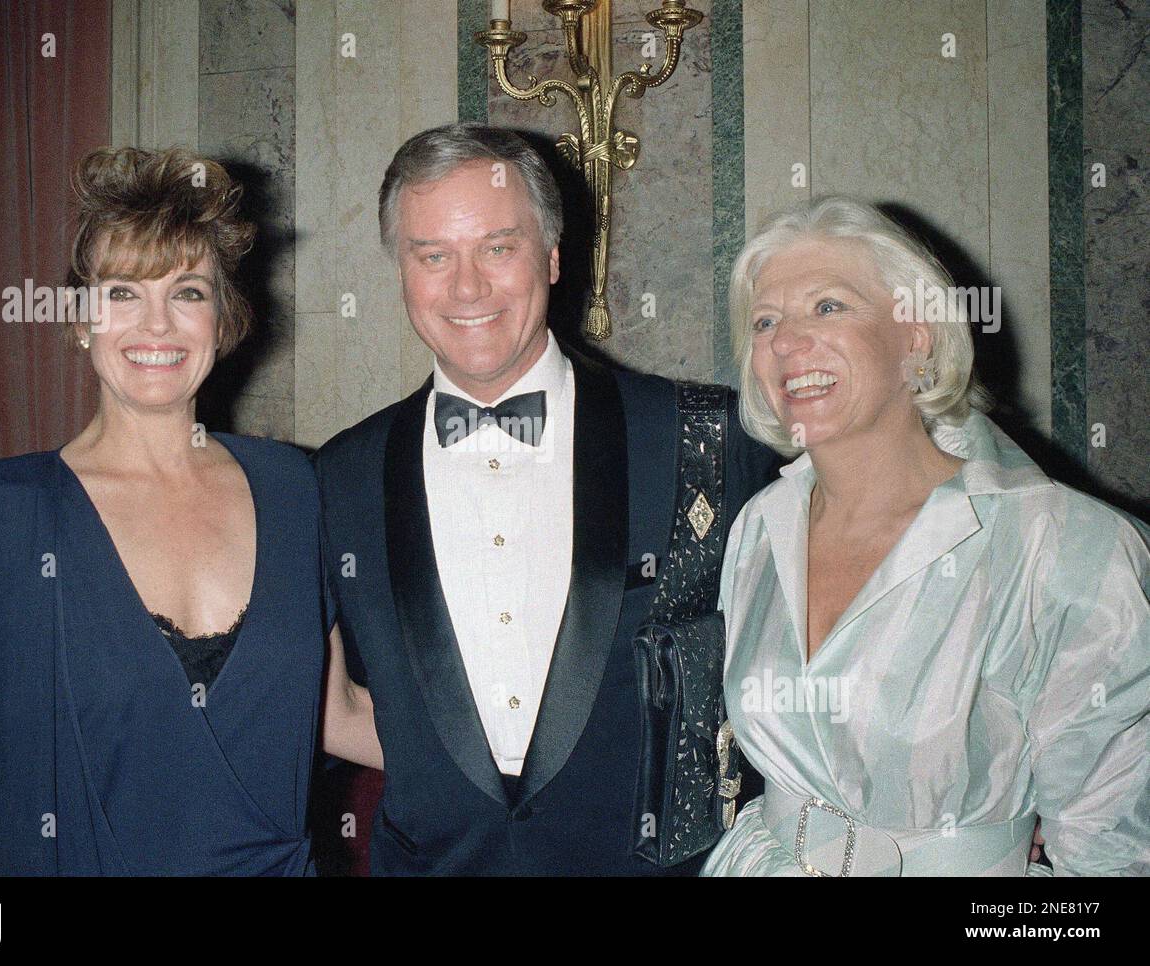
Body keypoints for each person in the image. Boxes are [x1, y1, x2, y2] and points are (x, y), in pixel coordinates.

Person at [315, 123, 781, 875]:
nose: (467, 287)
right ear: (399, 270)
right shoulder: (339, 478)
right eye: (433, 255)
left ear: (555, 256)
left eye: (498, 247)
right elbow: (323, 705)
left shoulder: (706, 439)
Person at [0, 146, 380, 876]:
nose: (156, 326)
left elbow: (337, 710)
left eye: (188, 292)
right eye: (123, 292)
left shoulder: (296, 488)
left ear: (222, 320)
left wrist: (540, 760)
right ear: (80, 319)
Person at [702, 196, 1150, 876]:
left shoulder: (1061, 546)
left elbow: (1113, 848)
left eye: (829, 307)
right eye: (766, 321)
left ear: (916, 335)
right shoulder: (760, 526)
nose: (787, 342)